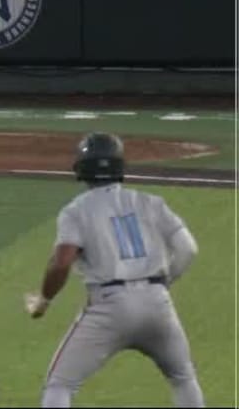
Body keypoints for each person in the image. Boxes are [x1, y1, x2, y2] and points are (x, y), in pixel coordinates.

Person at [25, 133, 203, 408]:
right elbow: (188, 249)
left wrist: (44, 300)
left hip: (110, 307)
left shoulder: (76, 211)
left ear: (81, 168)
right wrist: (163, 284)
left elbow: (61, 262)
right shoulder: (151, 202)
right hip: (158, 304)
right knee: (183, 377)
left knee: (60, 385)